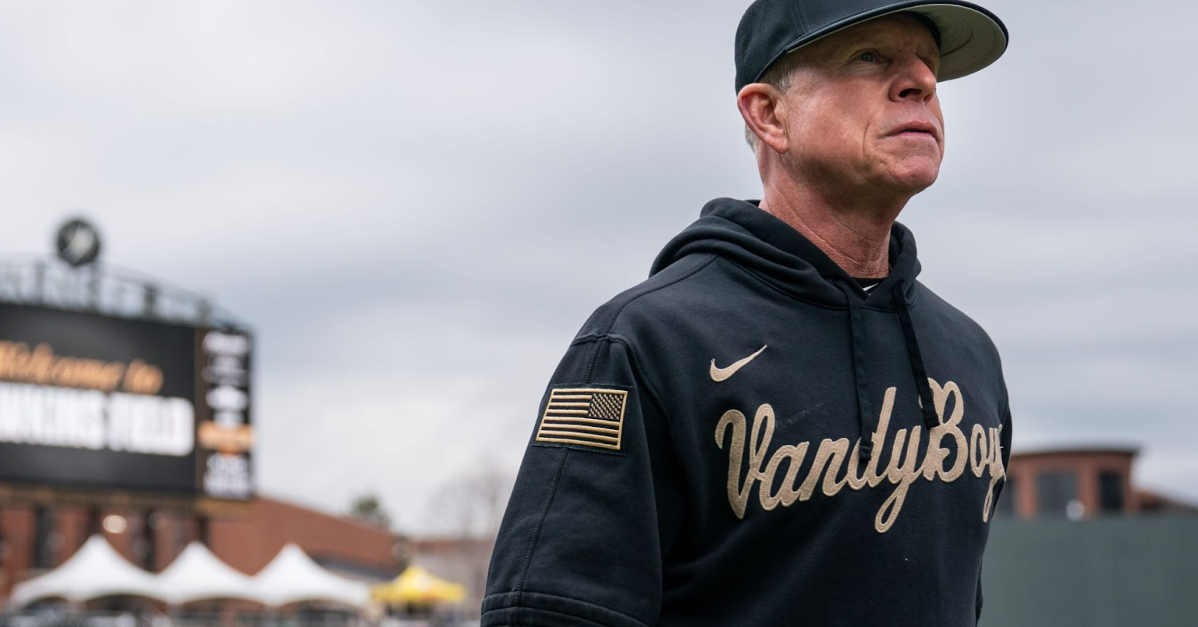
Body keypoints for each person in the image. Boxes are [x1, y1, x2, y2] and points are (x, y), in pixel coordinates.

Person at [482, 0, 1012, 624]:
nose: (921, 82)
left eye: (927, 65)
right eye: (869, 57)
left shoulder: (969, 353)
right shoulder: (645, 343)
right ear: (769, 114)